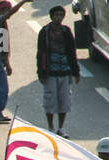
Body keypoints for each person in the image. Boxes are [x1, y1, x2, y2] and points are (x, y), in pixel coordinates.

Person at [36, 5, 78, 135]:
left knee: (64, 100)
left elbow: (72, 52)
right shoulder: (45, 32)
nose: (58, 18)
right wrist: (41, 72)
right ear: (52, 16)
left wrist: (75, 71)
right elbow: (41, 53)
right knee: (50, 100)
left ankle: (61, 127)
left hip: (64, 71)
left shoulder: (66, 31)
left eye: (61, 15)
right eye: (56, 15)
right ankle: (50, 127)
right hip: (50, 72)